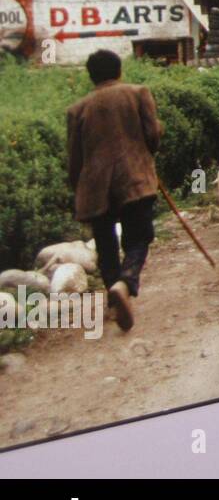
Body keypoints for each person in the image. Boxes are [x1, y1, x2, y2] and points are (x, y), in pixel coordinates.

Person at [66, 49, 164, 332]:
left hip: (95, 187)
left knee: (106, 243)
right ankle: (127, 281)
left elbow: (74, 159)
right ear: (119, 71)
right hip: (134, 179)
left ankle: (114, 293)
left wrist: (78, 189)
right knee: (139, 236)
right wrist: (157, 133)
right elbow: (152, 137)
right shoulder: (138, 93)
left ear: (91, 76)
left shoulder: (77, 110)